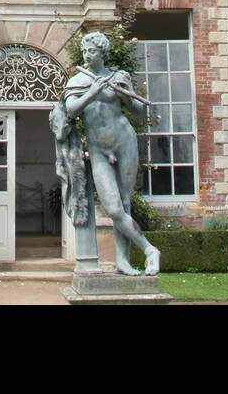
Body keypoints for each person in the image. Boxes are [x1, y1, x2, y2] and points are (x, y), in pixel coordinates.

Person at [57, 30, 161, 276]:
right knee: (113, 208)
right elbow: (70, 110)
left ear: (102, 53)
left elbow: (137, 111)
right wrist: (92, 92)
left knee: (124, 205)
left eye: (91, 51)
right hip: (98, 148)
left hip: (124, 140)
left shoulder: (119, 76)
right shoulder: (78, 81)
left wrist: (125, 94)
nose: (86, 55)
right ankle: (149, 250)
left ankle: (122, 262)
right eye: (84, 51)